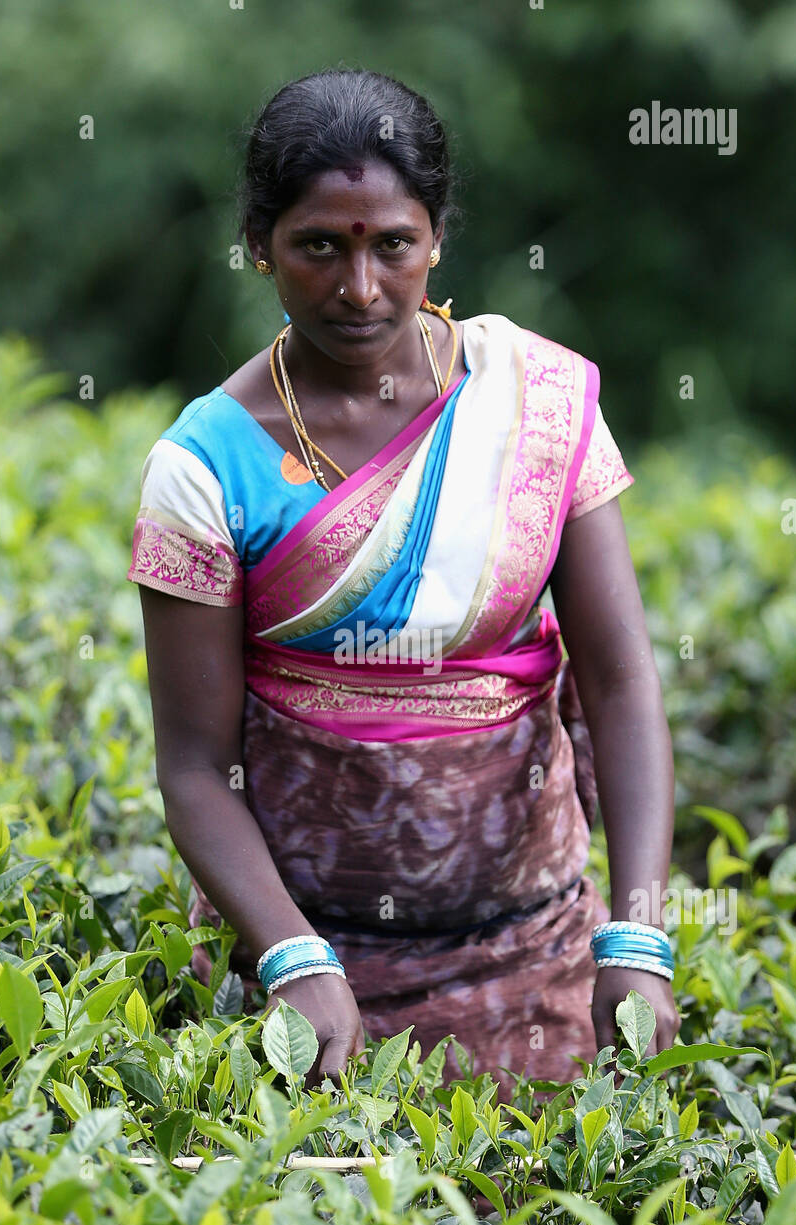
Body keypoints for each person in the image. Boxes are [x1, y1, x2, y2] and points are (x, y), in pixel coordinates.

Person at [127, 68, 679, 1102]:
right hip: (301, 968)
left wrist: (637, 934)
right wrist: (290, 959)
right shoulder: (203, 465)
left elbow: (621, 683)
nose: (361, 288)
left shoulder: (534, 408)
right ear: (258, 244)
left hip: (538, 951)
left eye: (393, 245)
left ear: (437, 240)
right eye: (317, 247)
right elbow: (197, 766)